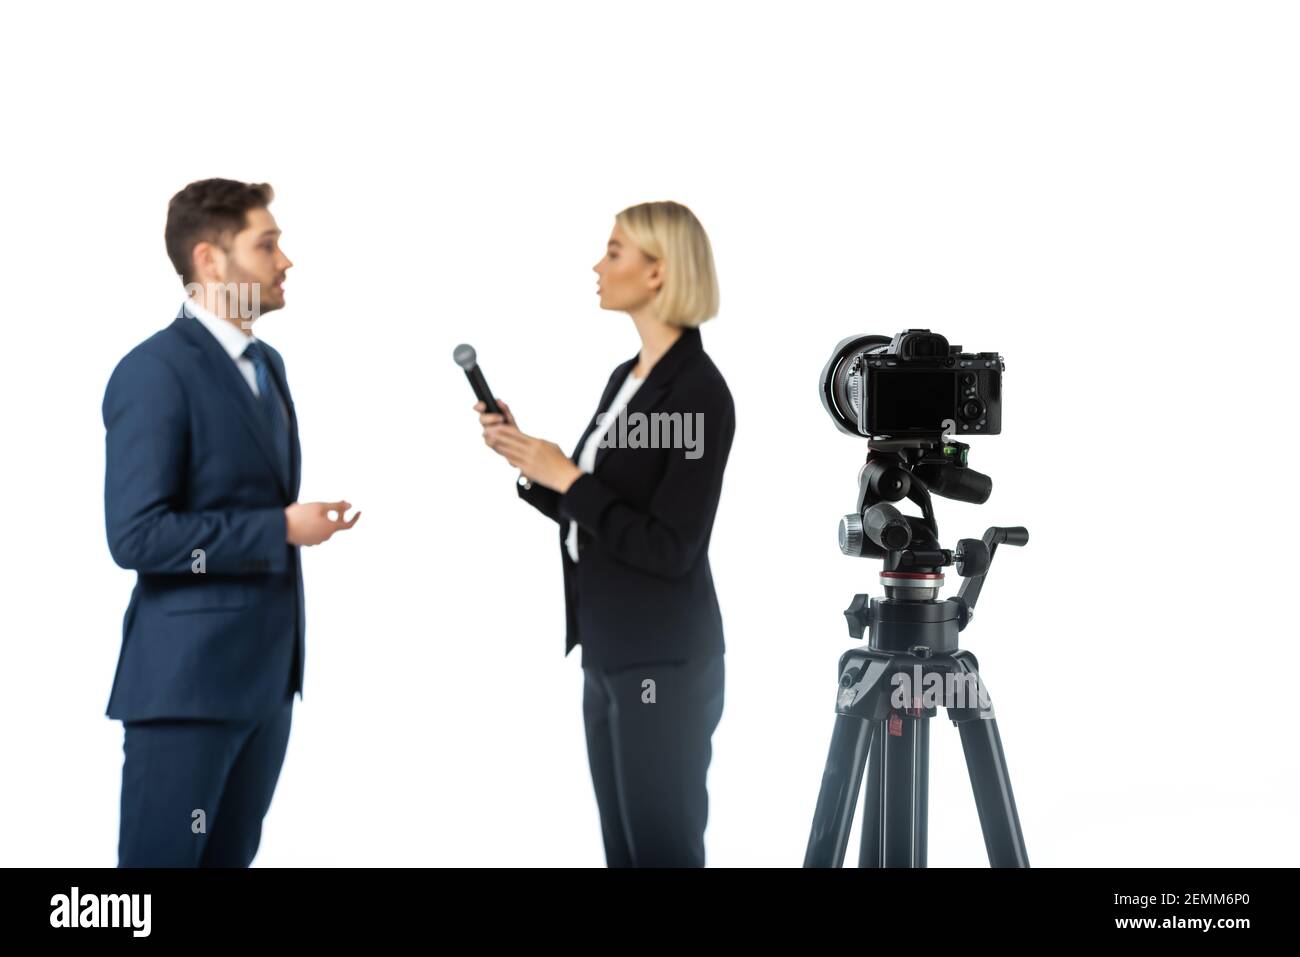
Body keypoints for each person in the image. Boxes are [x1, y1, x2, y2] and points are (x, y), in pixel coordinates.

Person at [103, 178, 359, 866]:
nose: (286, 261)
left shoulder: (267, 365)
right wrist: (278, 528)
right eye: (267, 244)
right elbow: (136, 536)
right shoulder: (153, 371)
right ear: (211, 260)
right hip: (186, 689)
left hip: (266, 683)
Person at [476, 200, 734, 866]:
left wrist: (566, 475)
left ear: (658, 273)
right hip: (610, 650)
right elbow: (601, 507)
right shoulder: (629, 378)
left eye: (614, 251)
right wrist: (533, 464)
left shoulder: (698, 392)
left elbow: (671, 546)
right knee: (625, 851)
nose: (598, 264)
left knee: (661, 850)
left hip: (665, 663)